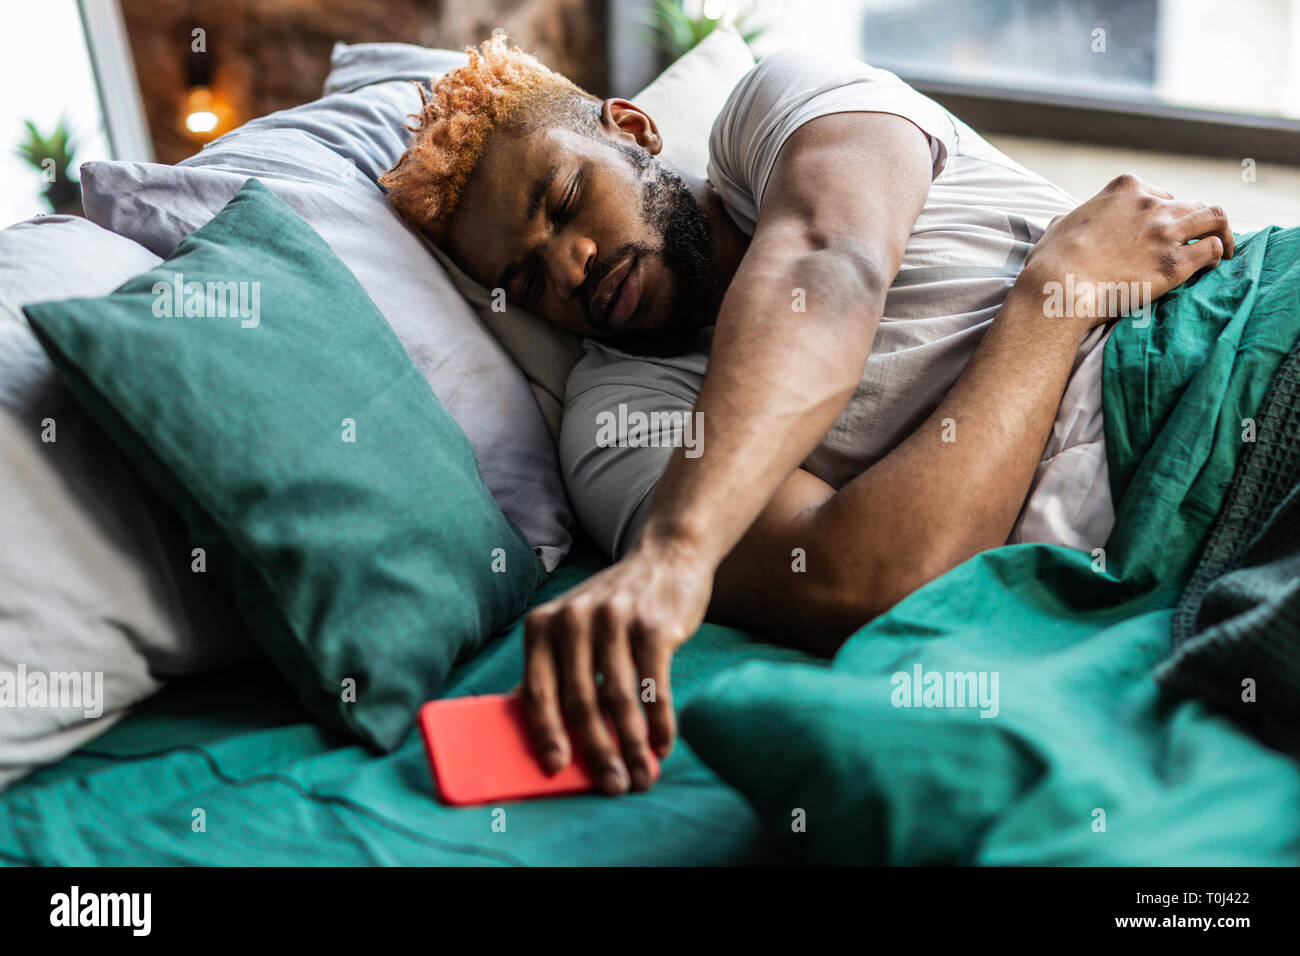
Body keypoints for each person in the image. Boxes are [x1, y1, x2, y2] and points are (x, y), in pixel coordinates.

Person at [382, 35, 1234, 795]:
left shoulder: (781, 102)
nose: (570, 265)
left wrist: (681, 552)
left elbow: (830, 267)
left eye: (567, 199)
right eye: (527, 281)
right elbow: (864, 580)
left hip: (1231, 340)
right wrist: (1051, 299)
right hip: (1167, 523)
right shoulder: (616, 421)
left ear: (631, 129)